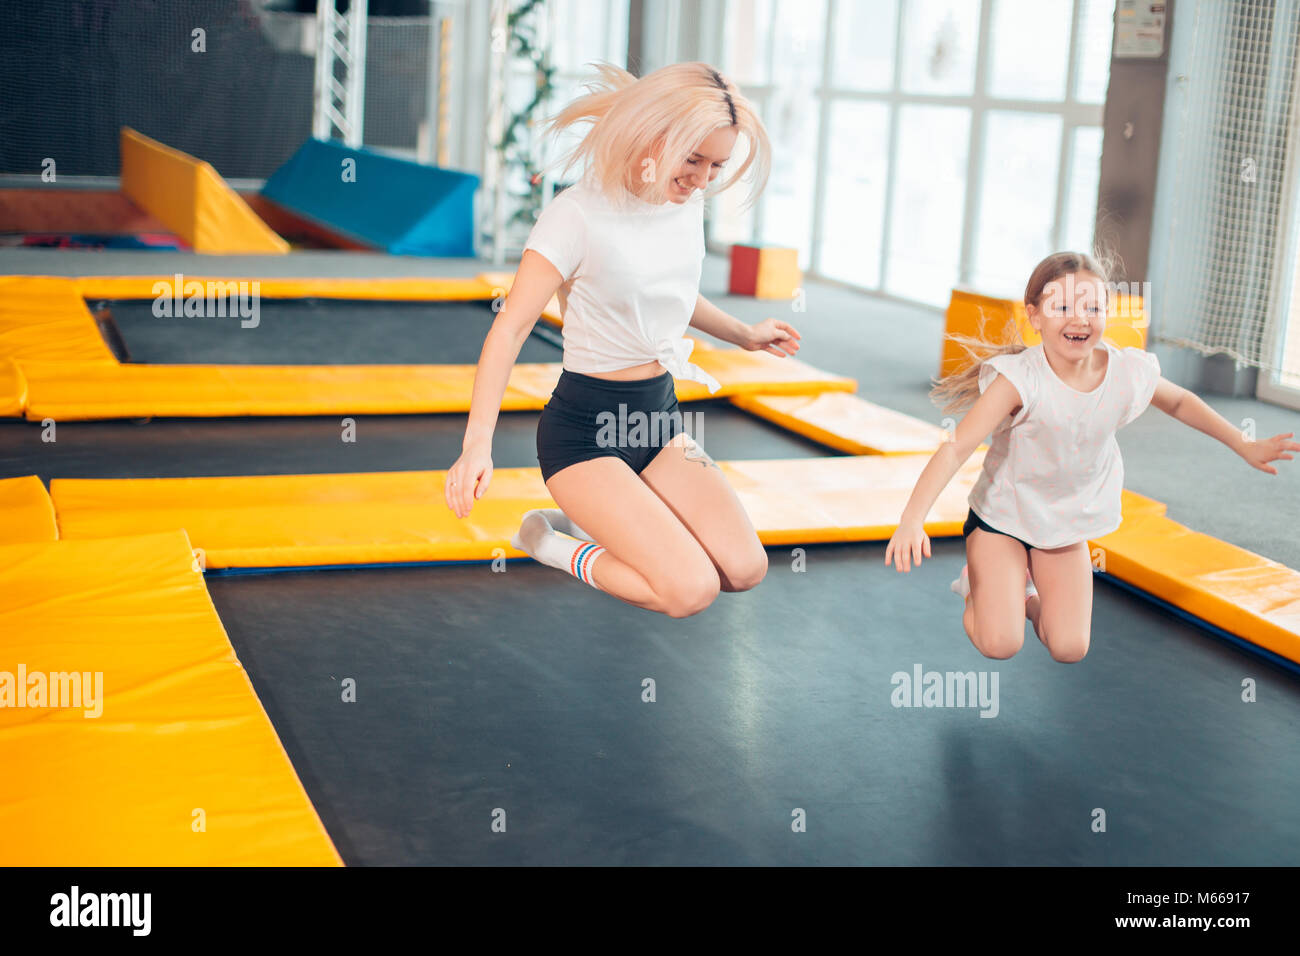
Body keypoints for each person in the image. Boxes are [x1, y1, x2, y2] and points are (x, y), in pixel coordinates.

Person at [445, 61, 800, 618]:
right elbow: (510, 327)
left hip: (657, 421)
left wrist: (744, 334)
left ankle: (604, 518)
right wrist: (475, 445)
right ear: (656, 135)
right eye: (693, 160)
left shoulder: (686, 204)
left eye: (716, 165)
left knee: (743, 569)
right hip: (584, 435)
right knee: (690, 590)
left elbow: (671, 295)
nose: (703, 179)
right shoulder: (576, 216)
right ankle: (549, 542)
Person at [884, 251, 1299, 662]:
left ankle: (1024, 596)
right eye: (1062, 306)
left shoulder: (1124, 371)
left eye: (1093, 307)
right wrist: (911, 520)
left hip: (1065, 525)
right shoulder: (1019, 379)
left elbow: (1180, 402)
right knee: (1001, 643)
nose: (1080, 318)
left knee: (1069, 647)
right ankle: (976, 587)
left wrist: (1243, 443)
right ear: (1035, 315)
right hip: (1002, 520)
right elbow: (956, 446)